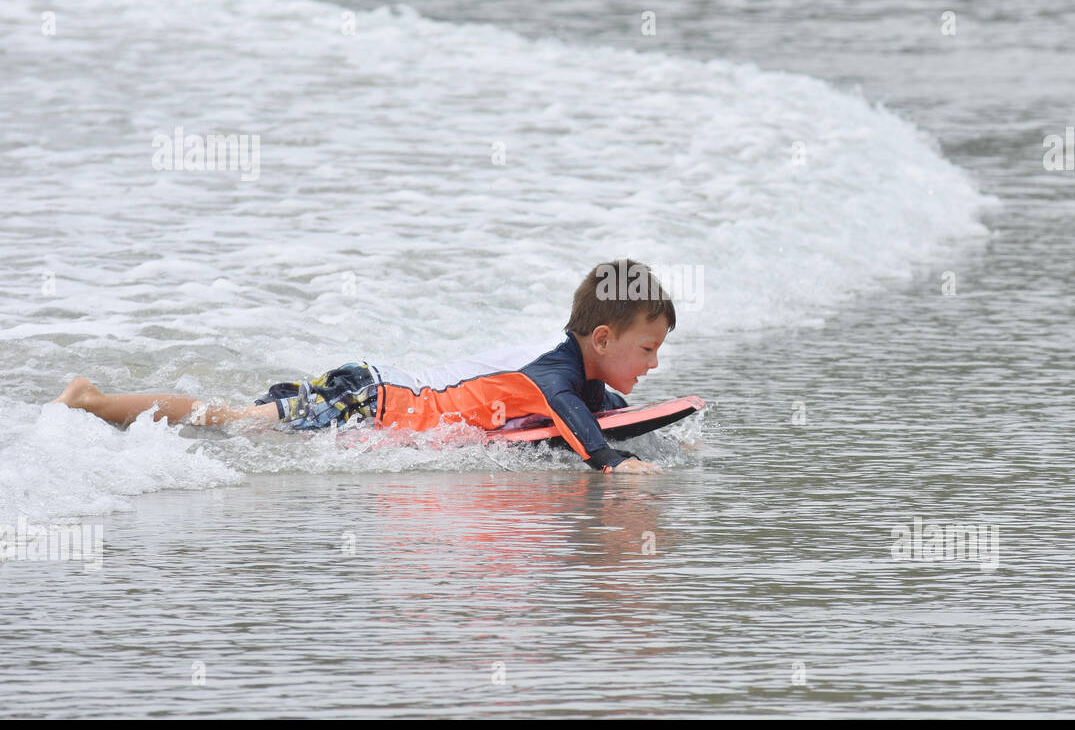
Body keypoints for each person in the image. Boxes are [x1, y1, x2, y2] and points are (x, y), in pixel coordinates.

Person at [50, 259, 673, 474]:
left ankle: (100, 401)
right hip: (366, 402)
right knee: (236, 421)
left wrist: (628, 422)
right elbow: (564, 409)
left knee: (241, 419)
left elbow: (590, 408)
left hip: (374, 393)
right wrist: (609, 461)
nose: (653, 362)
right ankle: (91, 400)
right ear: (599, 338)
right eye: (646, 349)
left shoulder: (580, 375)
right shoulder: (555, 376)